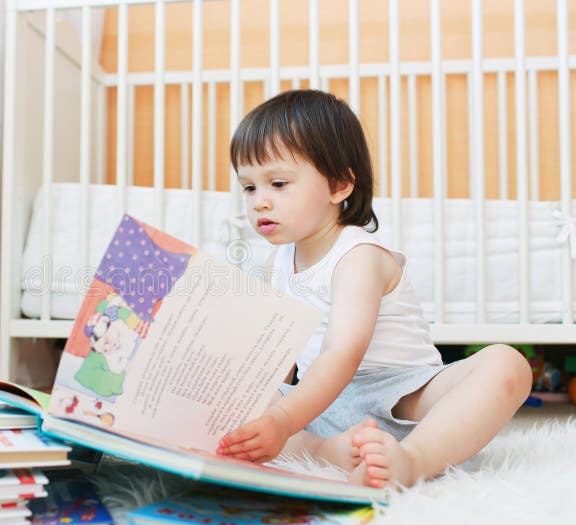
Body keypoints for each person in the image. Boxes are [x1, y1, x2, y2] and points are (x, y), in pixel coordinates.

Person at [215, 89, 532, 489]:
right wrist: (262, 406)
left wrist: (281, 419)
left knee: (506, 364)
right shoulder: (274, 265)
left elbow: (343, 353)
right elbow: (278, 357)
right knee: (234, 391)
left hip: (401, 396)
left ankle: (414, 458)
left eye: (278, 183)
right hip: (316, 406)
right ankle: (325, 452)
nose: (260, 202)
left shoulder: (358, 256)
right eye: (249, 188)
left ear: (339, 185)